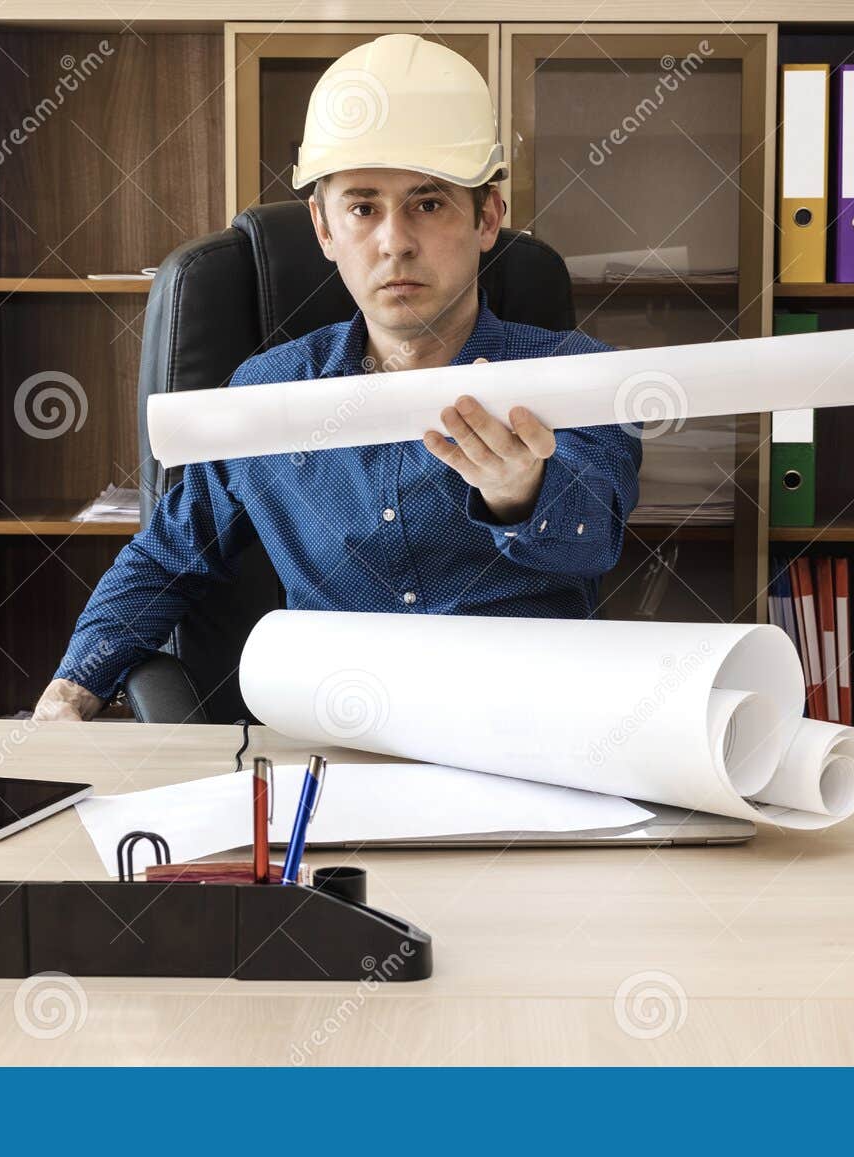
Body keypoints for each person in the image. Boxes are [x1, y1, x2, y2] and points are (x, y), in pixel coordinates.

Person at [33, 33, 641, 721]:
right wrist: (71, 691)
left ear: (488, 217)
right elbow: (168, 557)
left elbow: (598, 535)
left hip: (526, 739)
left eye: (429, 202)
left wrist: (522, 490)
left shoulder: (575, 377)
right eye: (362, 207)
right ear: (323, 228)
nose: (394, 241)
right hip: (338, 746)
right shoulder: (268, 398)